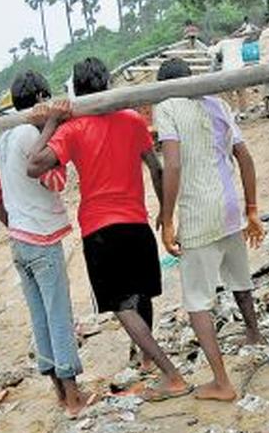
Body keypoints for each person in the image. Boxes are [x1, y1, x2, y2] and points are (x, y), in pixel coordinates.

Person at [27, 57, 191, 402]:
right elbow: (156, 169)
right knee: (140, 292)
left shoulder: (72, 129)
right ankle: (146, 359)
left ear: (78, 89)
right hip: (136, 222)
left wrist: (52, 121)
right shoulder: (132, 120)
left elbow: (33, 164)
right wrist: (165, 211)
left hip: (100, 230)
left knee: (121, 304)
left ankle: (171, 374)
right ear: (106, 85)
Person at [154, 58, 266, 401]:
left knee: (197, 300)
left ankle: (222, 382)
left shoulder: (167, 107)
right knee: (238, 275)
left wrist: (168, 217)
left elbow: (172, 163)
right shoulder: (217, 104)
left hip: (199, 211)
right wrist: (252, 209)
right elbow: (244, 158)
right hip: (230, 206)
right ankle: (253, 334)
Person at [0, 71, 94, 417]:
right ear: (41, 99)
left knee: (40, 318)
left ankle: (59, 393)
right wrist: (54, 127)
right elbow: (55, 180)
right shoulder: (31, 135)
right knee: (59, 315)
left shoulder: (3, 140)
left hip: (19, 240)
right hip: (41, 238)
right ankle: (74, 398)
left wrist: (15, 224)